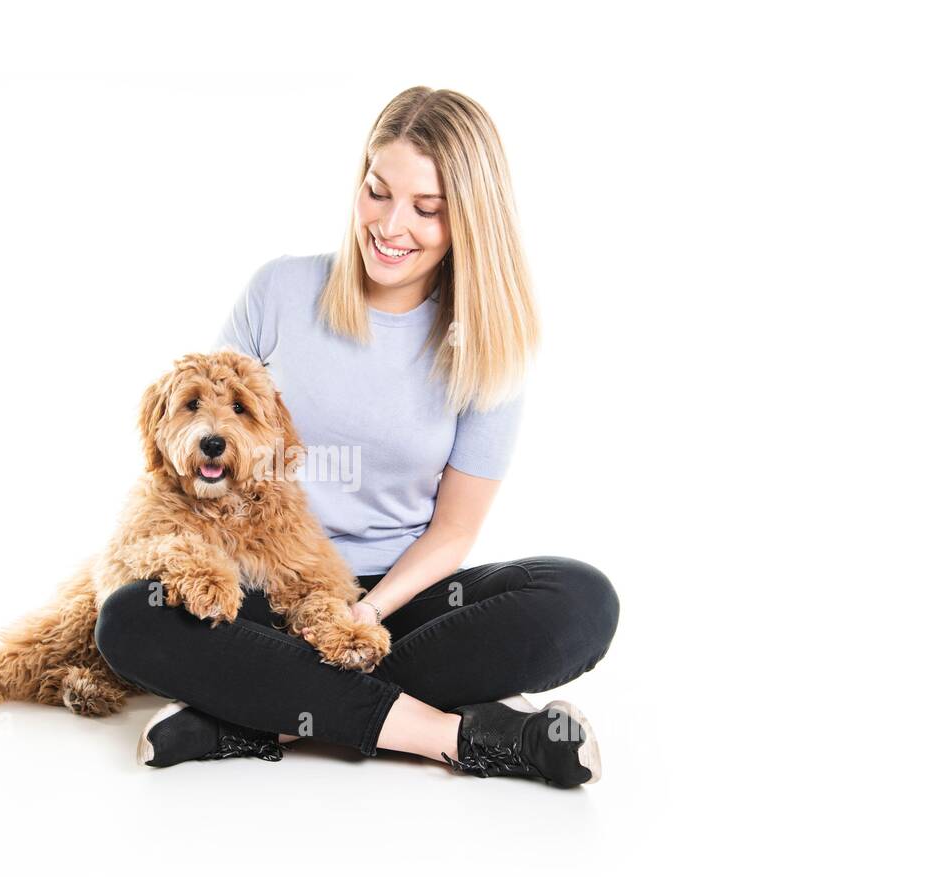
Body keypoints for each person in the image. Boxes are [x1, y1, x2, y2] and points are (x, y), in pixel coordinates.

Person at [95, 86, 619, 787]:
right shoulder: (278, 292)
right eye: (378, 192)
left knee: (581, 599)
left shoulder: (490, 348)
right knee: (132, 617)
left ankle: (257, 715)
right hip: (262, 591)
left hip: (395, 607)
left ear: (468, 219)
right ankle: (463, 737)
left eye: (427, 209)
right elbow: (198, 443)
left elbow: (455, 531)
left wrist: (362, 611)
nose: (391, 225)